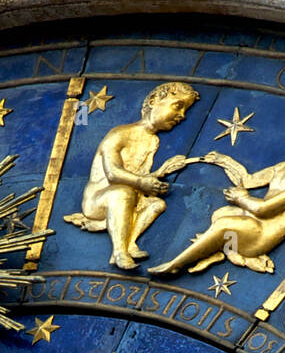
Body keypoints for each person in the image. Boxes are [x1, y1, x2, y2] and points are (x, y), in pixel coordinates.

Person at [147, 105, 285, 277]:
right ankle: (222, 250)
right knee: (222, 213)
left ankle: (176, 265)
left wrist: (242, 199)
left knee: (226, 223)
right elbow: (247, 180)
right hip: (251, 225)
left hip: (261, 236)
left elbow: (265, 210)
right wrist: (224, 161)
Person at [64, 82, 199, 270]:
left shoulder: (152, 140)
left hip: (129, 194)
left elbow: (137, 175)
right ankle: (119, 252)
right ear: (153, 101)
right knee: (122, 193)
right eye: (178, 105)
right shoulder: (121, 133)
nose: (182, 115)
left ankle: (129, 242)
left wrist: (161, 174)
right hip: (98, 200)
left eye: (185, 110)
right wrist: (144, 183)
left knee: (157, 204)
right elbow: (113, 173)